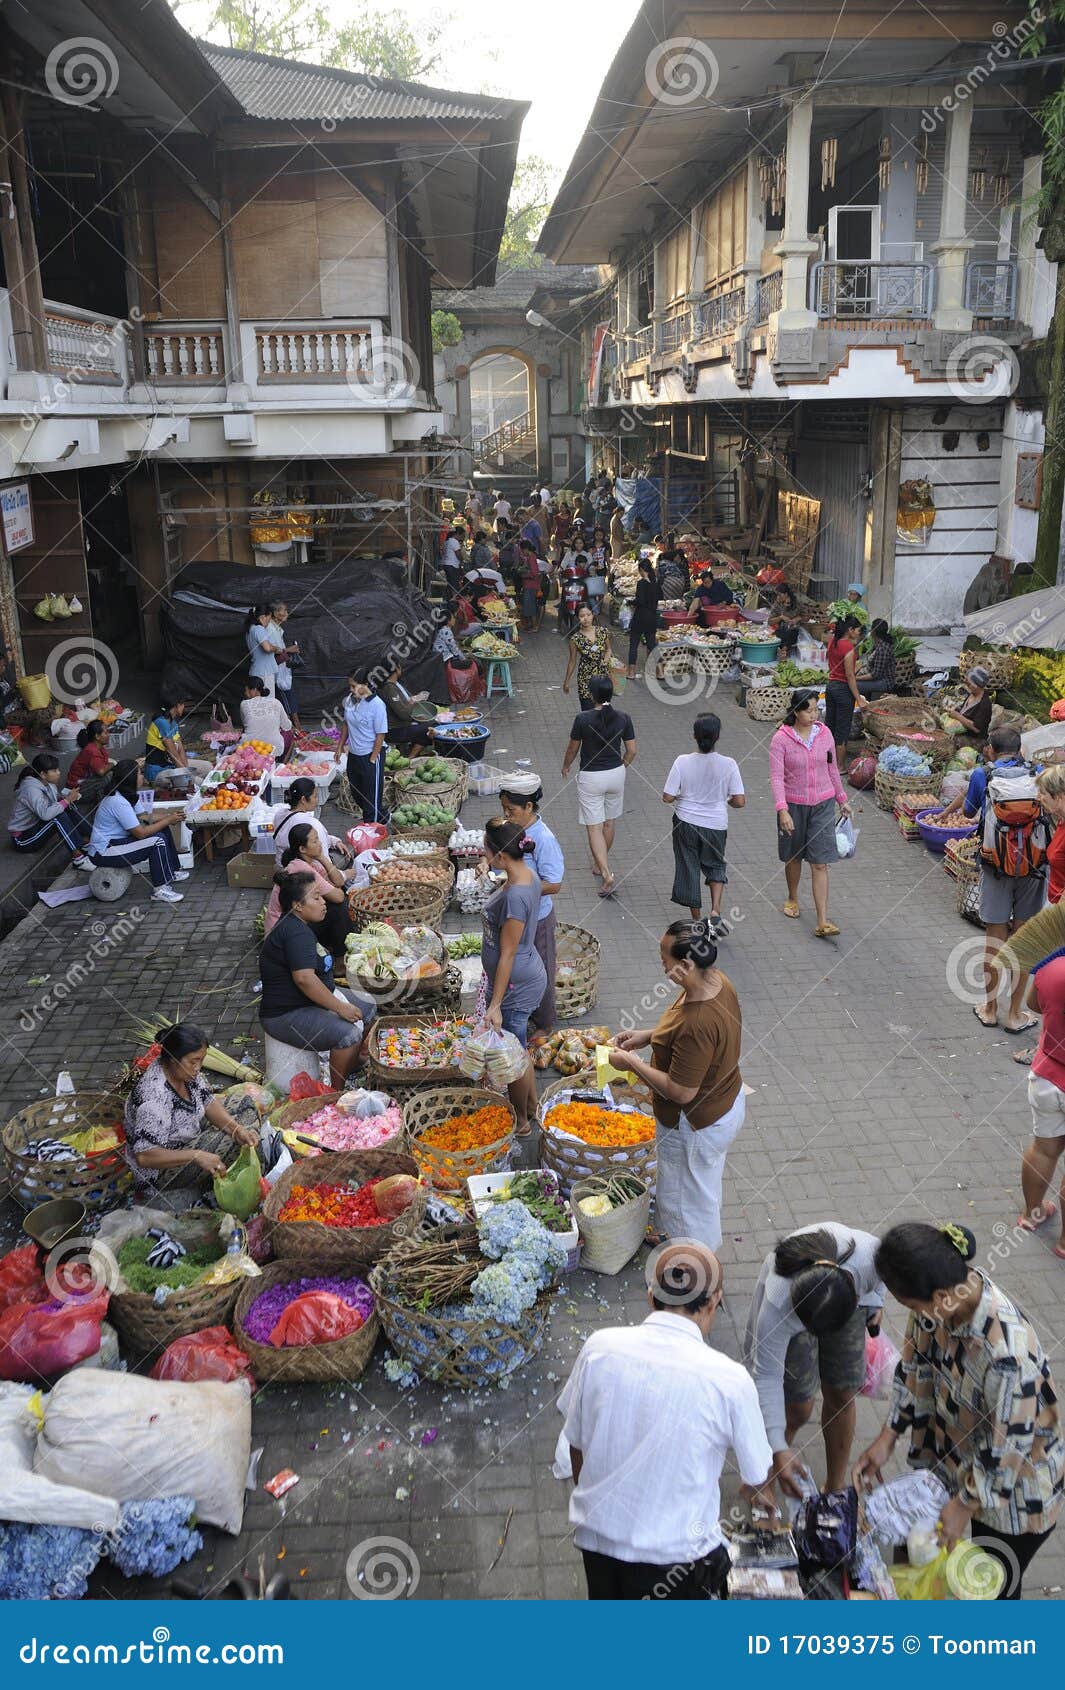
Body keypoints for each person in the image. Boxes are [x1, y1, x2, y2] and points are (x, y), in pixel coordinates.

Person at [854, 1222, 1064, 1598]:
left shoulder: (1007, 1356)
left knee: (991, 1590)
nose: (910, 1313)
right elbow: (913, 1366)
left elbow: (1007, 1449)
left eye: (909, 1305)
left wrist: (964, 1504)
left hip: (1016, 1489)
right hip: (956, 1454)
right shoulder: (936, 1306)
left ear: (937, 1297)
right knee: (923, 1554)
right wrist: (889, 1434)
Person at [557, 1240, 774, 1600]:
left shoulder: (600, 1347)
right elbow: (756, 1476)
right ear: (713, 1300)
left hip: (597, 1541)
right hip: (677, 1562)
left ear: (650, 1295)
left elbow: (576, 1444)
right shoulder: (729, 1379)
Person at [609, 920, 744, 1251]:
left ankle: (696, 1265)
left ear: (686, 965)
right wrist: (649, 1037)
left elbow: (682, 1091)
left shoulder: (699, 1021)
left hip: (696, 1123)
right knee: (695, 1188)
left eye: (663, 956)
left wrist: (632, 1064)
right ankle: (675, 1237)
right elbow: (685, 1040)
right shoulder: (717, 981)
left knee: (692, 1203)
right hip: (723, 1105)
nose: (661, 962)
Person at [744, 1224, 884, 1498]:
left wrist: (877, 1300)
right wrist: (779, 1447)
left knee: (843, 1393)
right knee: (797, 1407)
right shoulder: (778, 1305)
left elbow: (885, 1272)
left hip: (845, 1301)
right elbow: (767, 1377)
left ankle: (834, 1489)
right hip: (804, 1304)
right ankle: (763, 1484)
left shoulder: (870, 1257)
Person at [941, 727, 1047, 1031]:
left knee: (994, 941)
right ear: (1020, 749)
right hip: (1033, 868)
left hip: (995, 865)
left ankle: (989, 1009)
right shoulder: (1038, 772)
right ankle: (1015, 1015)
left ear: (990, 749)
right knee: (1025, 942)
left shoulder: (982, 775)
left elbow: (970, 811)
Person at [123, 1022, 260, 1207]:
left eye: (201, 1061)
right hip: (159, 1171)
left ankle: (226, 1152)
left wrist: (237, 1129)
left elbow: (208, 1101)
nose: (198, 1068)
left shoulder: (185, 1073)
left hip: (186, 1131)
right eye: (193, 1061)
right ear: (172, 1058)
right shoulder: (154, 1098)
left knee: (245, 1104)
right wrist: (196, 1155)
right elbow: (145, 1157)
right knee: (229, 1142)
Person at [259, 871, 368, 1088]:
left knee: (368, 1006)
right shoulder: (294, 933)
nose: (323, 903)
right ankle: (335, 1091)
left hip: (308, 1002)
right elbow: (304, 979)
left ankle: (353, 1064)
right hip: (285, 1014)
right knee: (348, 1035)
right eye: (316, 898)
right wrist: (339, 1007)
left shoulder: (299, 925)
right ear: (298, 905)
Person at [479, 818, 546, 1135]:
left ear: (501, 857)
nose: (484, 855)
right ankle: (532, 1106)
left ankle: (521, 1122)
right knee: (518, 1050)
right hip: (523, 973)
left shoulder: (516, 897)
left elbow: (506, 954)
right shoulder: (524, 875)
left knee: (513, 1058)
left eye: (487, 850)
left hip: (517, 984)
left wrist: (495, 1004)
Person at [770, 690, 852, 939]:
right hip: (793, 805)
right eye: (809, 710)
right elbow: (776, 777)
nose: (814, 714)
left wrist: (842, 799)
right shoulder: (781, 739)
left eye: (817, 709)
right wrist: (782, 809)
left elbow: (832, 769)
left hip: (823, 804)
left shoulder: (824, 734)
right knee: (793, 857)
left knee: (820, 863)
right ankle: (793, 898)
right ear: (795, 711)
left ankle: (822, 920)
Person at [663, 713, 745, 935]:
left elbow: (667, 797)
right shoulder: (729, 764)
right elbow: (739, 801)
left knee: (688, 868)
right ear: (717, 737)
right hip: (716, 825)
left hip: (685, 822)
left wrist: (683, 796)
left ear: (694, 736)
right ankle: (716, 911)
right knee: (716, 865)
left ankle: (698, 920)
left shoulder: (682, 761)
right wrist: (724, 799)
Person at [499, 772, 564, 1041]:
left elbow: (555, 884)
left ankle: (546, 1023)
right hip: (519, 916)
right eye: (503, 809)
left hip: (538, 917)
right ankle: (523, 1009)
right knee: (520, 967)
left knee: (543, 970)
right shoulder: (516, 829)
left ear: (529, 806)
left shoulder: (544, 839)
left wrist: (521, 887)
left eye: (511, 809)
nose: (506, 814)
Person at [562, 676, 636, 898]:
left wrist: (566, 766)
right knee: (609, 822)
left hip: (591, 777)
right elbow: (632, 750)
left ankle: (606, 873)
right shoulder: (623, 718)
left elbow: (573, 748)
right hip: (616, 774)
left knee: (594, 827)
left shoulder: (583, 719)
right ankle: (598, 863)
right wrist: (621, 766)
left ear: (591, 694)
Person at [87, 759, 188, 903]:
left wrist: (170, 816)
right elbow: (140, 833)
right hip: (103, 851)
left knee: (162, 827)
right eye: (140, 773)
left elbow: (144, 817)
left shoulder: (128, 794)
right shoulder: (118, 801)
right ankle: (159, 890)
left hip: (118, 842)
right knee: (157, 841)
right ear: (131, 778)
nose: (143, 777)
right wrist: (168, 819)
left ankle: (172, 871)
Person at [265, 822, 353, 954]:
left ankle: (331, 947)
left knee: (331, 903)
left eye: (318, 839)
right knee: (338, 908)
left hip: (297, 920)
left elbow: (338, 881)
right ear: (302, 849)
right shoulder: (300, 868)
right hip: (280, 931)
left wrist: (322, 857)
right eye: (315, 841)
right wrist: (334, 887)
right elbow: (338, 896)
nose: (320, 844)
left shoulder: (312, 864)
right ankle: (340, 959)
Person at [8, 753, 90, 864]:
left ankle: (89, 838)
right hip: (23, 840)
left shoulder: (49, 784)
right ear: (43, 774)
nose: (59, 773)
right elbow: (45, 814)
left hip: (36, 827)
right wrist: (66, 800)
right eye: (54, 771)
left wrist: (66, 799)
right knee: (58, 816)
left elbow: (56, 804)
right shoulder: (31, 790)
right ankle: (78, 859)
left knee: (65, 806)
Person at [343, 671, 388, 824]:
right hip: (354, 755)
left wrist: (373, 759)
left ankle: (372, 830)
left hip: (371, 754)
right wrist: (339, 747)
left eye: (354, 686)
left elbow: (380, 734)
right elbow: (346, 724)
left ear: (366, 685)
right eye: (350, 686)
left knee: (371, 798)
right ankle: (383, 816)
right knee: (357, 793)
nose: (351, 689)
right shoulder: (350, 700)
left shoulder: (377, 705)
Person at [143, 698, 211, 792]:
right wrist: (186, 774)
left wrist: (186, 767)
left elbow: (180, 749)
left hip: (172, 766)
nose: (184, 707)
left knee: (208, 767)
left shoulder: (173, 723)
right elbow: (173, 754)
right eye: (183, 705)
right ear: (178, 705)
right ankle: (177, 787)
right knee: (199, 782)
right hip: (158, 772)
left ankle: (182, 785)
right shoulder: (161, 723)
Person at [824, 612, 867, 759]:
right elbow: (850, 676)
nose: (858, 633)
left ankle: (827, 761)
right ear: (850, 630)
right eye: (857, 630)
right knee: (842, 730)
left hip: (830, 687)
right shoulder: (848, 648)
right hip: (843, 690)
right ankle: (840, 766)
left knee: (830, 726)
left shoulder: (832, 641)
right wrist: (859, 699)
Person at [563, 603, 617, 708]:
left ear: (593, 615)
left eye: (588, 615)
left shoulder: (603, 631)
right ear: (577, 618)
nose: (586, 618)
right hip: (585, 679)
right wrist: (566, 681)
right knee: (588, 711)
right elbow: (572, 661)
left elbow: (609, 649)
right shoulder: (575, 639)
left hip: (602, 677)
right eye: (582, 616)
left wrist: (605, 661)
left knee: (604, 710)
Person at [377, 661, 432, 751]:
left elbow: (401, 705)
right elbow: (403, 714)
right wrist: (413, 701)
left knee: (428, 723)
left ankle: (411, 754)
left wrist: (412, 701)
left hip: (398, 726)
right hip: (393, 730)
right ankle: (410, 759)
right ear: (397, 669)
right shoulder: (389, 688)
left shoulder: (393, 685)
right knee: (428, 730)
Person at [270, 601, 302, 731]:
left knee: (288, 696)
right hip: (276, 672)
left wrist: (288, 651)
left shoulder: (277, 629)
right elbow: (272, 651)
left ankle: (296, 727)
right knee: (284, 698)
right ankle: (294, 728)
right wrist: (289, 650)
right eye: (285, 610)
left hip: (282, 670)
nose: (287, 613)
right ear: (276, 613)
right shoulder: (270, 629)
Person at [240, 676, 291, 758]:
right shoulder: (276, 702)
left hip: (249, 747)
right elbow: (287, 726)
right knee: (289, 733)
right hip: (274, 748)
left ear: (254, 689)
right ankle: (282, 761)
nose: (245, 693)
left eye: (246, 690)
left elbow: (245, 724)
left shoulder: (244, 704)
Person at [626, 557, 659, 678]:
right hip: (651, 617)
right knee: (651, 645)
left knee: (633, 644)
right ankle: (660, 671)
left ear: (641, 570)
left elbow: (640, 601)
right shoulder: (655, 582)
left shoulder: (641, 583)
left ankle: (631, 672)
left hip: (640, 617)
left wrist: (630, 602)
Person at [67, 719, 115, 801]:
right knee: (109, 776)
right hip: (75, 790)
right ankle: (103, 803)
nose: (108, 735)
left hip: (84, 782)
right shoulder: (92, 750)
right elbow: (101, 771)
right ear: (97, 736)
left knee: (112, 773)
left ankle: (102, 799)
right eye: (106, 733)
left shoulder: (98, 748)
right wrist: (113, 764)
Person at [941, 665, 993, 741]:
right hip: (960, 733)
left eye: (969, 684)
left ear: (978, 685)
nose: (967, 686)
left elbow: (977, 729)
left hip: (973, 740)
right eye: (966, 683)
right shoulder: (971, 694)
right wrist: (952, 708)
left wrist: (957, 716)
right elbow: (963, 711)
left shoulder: (984, 704)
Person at [245, 605, 282, 693]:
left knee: (258, 703)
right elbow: (267, 648)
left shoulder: (250, 629)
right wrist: (276, 648)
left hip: (256, 671)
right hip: (264, 673)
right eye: (268, 619)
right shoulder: (259, 629)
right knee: (267, 702)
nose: (269, 622)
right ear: (262, 617)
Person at [856, 617, 897, 698]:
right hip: (878, 678)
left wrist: (856, 678)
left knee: (855, 685)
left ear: (874, 631)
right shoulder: (878, 643)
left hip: (885, 682)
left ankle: (863, 703)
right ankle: (866, 699)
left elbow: (875, 675)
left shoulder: (883, 648)